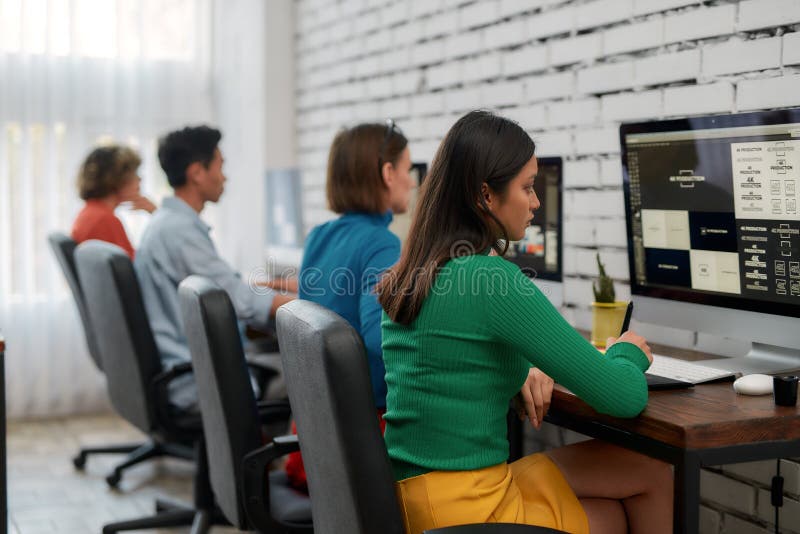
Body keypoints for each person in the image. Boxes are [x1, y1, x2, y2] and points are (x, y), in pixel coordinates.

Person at [376, 111, 673, 534]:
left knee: (638, 473)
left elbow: (454, 363)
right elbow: (623, 396)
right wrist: (627, 350)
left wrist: (520, 369)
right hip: (468, 509)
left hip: (416, 500)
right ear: (485, 195)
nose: (536, 202)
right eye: (528, 187)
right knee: (642, 486)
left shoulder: (411, 271)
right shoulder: (489, 278)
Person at [285, 120, 415, 490]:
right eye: (407, 170)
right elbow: (379, 339)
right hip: (361, 440)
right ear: (388, 173)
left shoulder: (319, 236)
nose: (412, 181)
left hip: (316, 436)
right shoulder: (381, 243)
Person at [135, 125, 294, 409]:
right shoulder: (180, 232)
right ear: (197, 172)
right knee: (304, 373)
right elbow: (239, 301)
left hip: (179, 363)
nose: (224, 176)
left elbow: (223, 285)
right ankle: (262, 453)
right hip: (192, 377)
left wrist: (274, 286)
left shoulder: (166, 224)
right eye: (220, 166)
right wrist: (313, 304)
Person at [71, 145, 156, 258]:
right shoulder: (104, 220)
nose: (140, 179)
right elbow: (135, 269)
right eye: (134, 173)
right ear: (116, 180)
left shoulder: (90, 213)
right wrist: (156, 214)